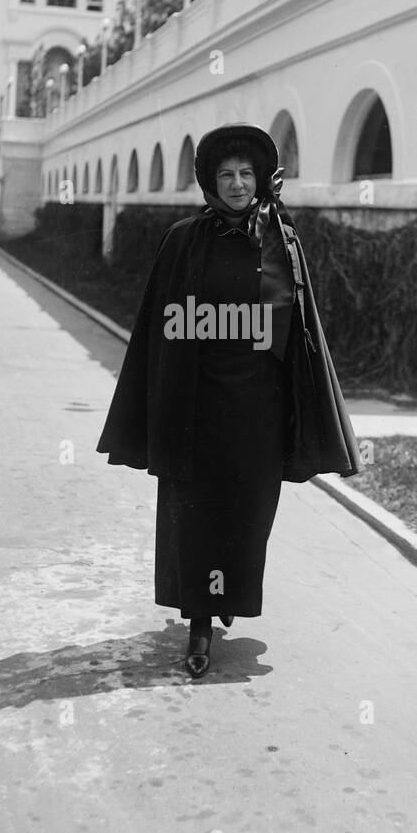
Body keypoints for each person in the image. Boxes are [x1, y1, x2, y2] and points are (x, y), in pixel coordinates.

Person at [97, 122, 361, 678]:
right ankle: (198, 623)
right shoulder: (182, 240)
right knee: (193, 514)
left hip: (258, 407)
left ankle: (225, 596)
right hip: (196, 402)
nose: (238, 184)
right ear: (210, 183)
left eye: (246, 174)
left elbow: (301, 328)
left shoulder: (282, 241)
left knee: (247, 513)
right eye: (226, 175)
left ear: (261, 178)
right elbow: (158, 330)